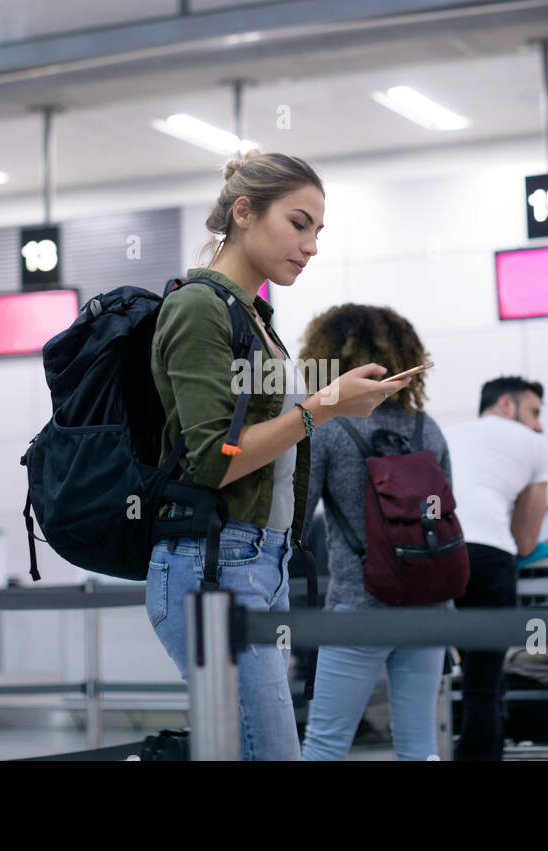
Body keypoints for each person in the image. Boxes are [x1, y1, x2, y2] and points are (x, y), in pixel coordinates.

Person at [146, 151, 413, 760]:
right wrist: (326, 405)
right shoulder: (198, 307)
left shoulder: (255, 318)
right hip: (214, 564)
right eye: (298, 224)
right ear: (244, 212)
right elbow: (215, 459)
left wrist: (333, 404)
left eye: (317, 230)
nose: (311, 245)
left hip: (261, 563)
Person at [298, 304, 452, 761]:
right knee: (420, 744)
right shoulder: (428, 429)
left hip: (358, 605)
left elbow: (296, 522)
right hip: (430, 604)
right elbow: (443, 519)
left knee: (325, 744)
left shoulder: (329, 427)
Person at [442, 376, 548, 760]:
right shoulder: (535, 444)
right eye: (534, 411)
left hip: (437, 556)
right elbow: (525, 540)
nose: (538, 423)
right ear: (506, 404)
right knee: (483, 685)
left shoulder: (444, 433)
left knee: (430, 677)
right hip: (490, 559)